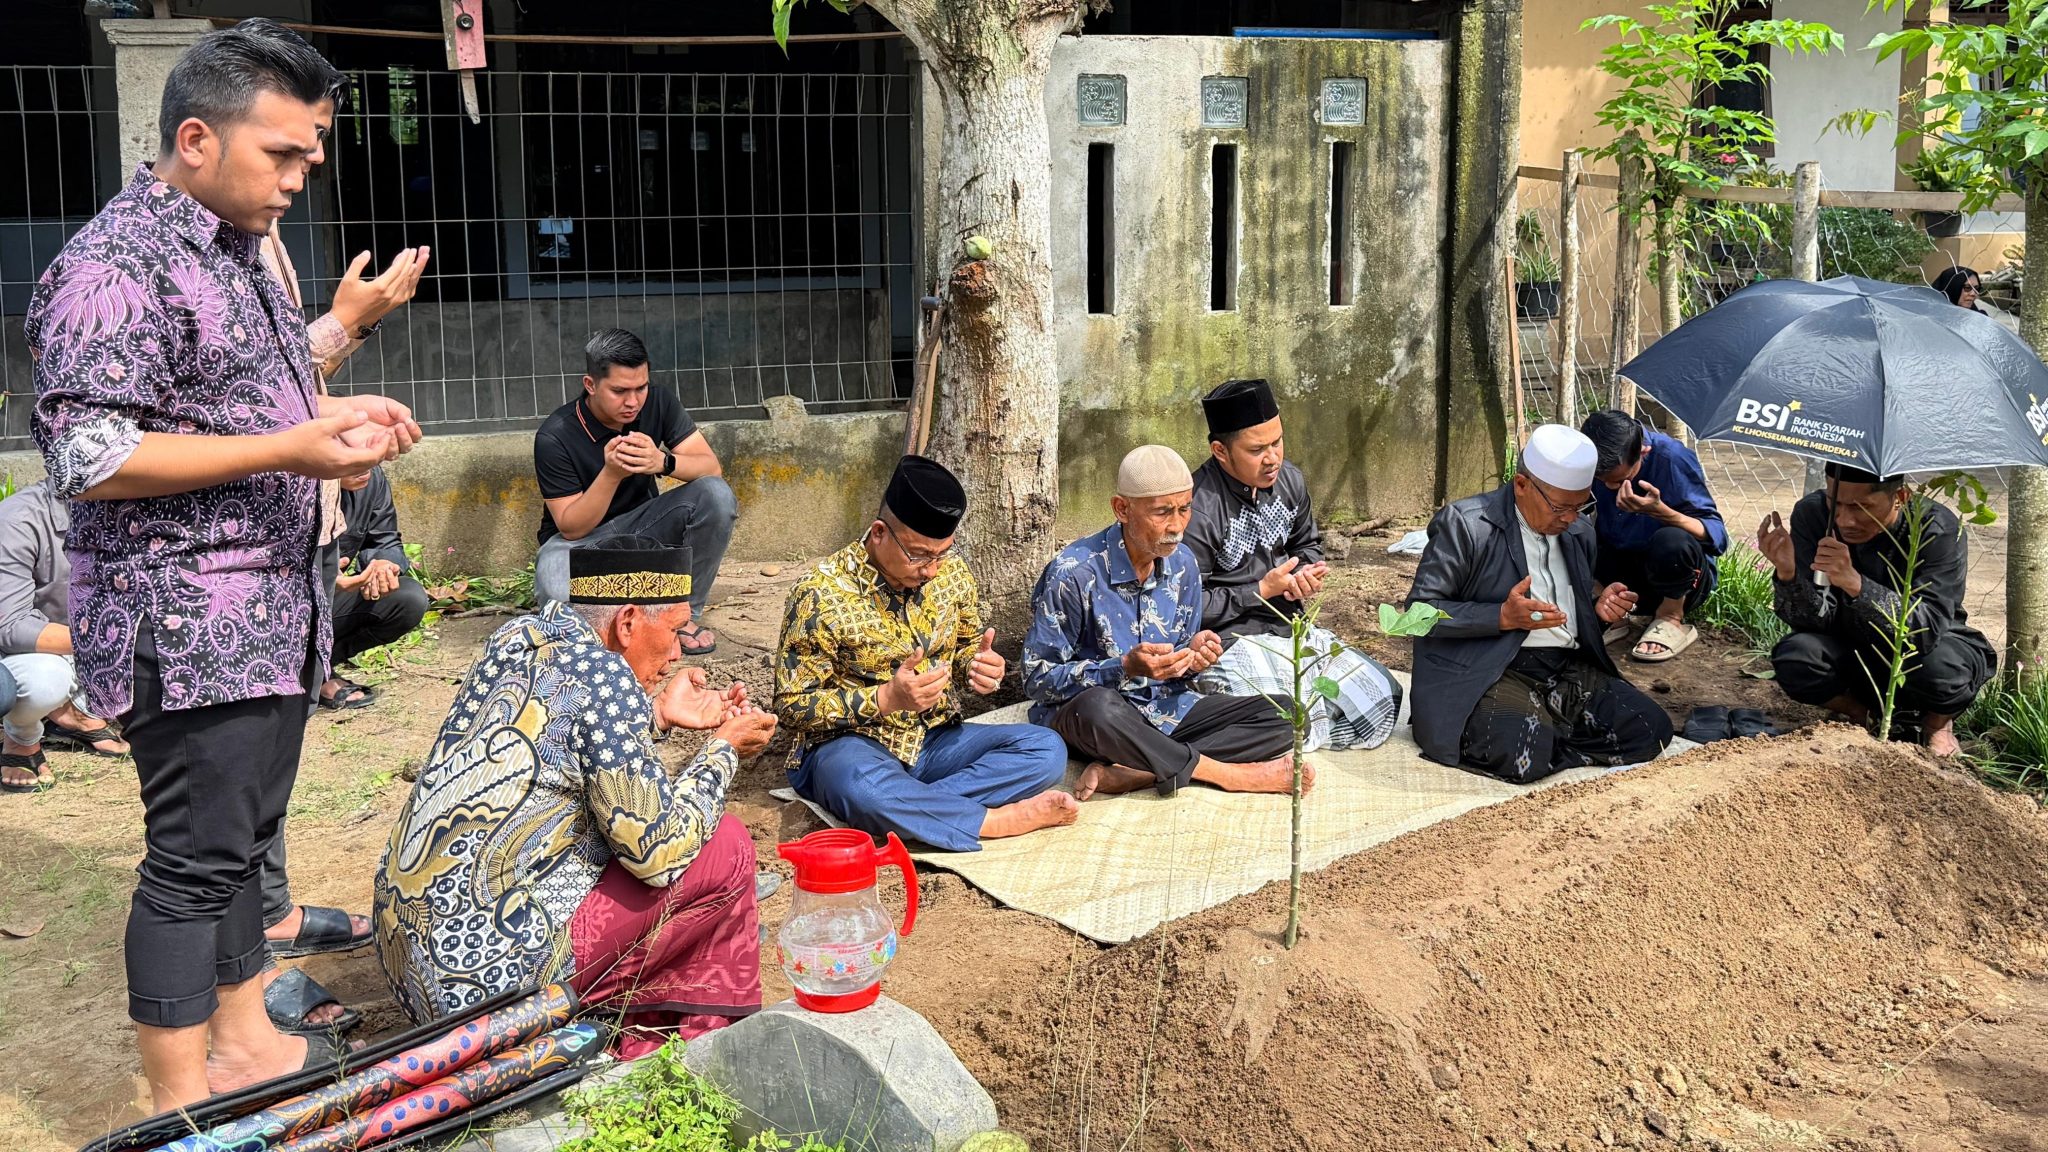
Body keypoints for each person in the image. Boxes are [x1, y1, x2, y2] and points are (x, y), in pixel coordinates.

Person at [26, 21, 419, 1109]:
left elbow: (230, 397)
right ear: (195, 138)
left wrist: (330, 411)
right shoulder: (113, 269)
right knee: (194, 862)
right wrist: (291, 448)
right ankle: (174, 1096)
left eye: (313, 153)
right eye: (283, 154)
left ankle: (246, 1041)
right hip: (186, 623)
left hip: (263, 613)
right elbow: (90, 453)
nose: (303, 177)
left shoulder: (237, 243)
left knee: (242, 843)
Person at [375, 539, 775, 1057]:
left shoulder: (519, 634)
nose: (678, 651)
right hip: (488, 994)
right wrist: (721, 751)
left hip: (410, 964)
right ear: (628, 622)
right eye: (674, 630)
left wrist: (655, 715)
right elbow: (658, 855)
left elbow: (559, 743)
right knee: (725, 844)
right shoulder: (605, 675)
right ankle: (699, 1029)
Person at [776, 455, 1076, 852]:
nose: (932, 570)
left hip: (933, 742)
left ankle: (907, 805)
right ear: (879, 532)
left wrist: (980, 666)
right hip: (851, 747)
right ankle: (991, 820)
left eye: (942, 554)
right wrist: (885, 699)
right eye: (918, 555)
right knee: (855, 782)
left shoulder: (952, 574)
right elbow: (791, 705)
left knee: (1047, 750)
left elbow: (969, 646)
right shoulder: (819, 595)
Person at [1024, 445, 1301, 800]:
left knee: (1287, 715)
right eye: (1161, 512)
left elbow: (1179, 661)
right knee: (1098, 707)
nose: (1177, 526)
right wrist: (1122, 667)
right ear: (1122, 509)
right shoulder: (1073, 573)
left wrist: (1193, 657)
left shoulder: (1183, 564)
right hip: (1097, 721)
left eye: (1185, 509)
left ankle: (1141, 771)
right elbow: (1036, 679)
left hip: (1166, 709)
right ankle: (1226, 775)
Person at [1404, 425, 1674, 783]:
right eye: (1560, 507)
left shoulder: (1578, 532)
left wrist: (1597, 613)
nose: (1569, 518)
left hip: (1564, 668)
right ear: (1521, 485)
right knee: (1522, 752)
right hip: (1488, 669)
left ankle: (1550, 736)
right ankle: (1546, 736)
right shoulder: (1467, 525)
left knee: (1651, 729)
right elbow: (1415, 616)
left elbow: (1567, 614)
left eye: (1581, 507)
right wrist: (1500, 616)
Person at [1184, 378, 1401, 751]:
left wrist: (1305, 574)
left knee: (1382, 696)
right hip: (1231, 640)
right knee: (1280, 716)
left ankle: (1296, 740)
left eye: (1277, 442)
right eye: (1257, 449)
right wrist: (1260, 591)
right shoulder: (1195, 508)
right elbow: (1185, 607)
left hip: (1292, 630)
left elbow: (1307, 545)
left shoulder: (1291, 481)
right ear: (1221, 451)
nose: (1273, 458)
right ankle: (1289, 739)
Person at [1757, 464, 1996, 757]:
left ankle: (1937, 726)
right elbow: (1812, 622)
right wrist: (1788, 574)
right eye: (1836, 503)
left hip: (1923, 650)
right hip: (1848, 642)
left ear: (1901, 496)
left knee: (1945, 670)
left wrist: (1855, 583)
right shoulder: (1813, 514)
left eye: (1861, 507)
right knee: (1796, 657)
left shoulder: (1937, 528)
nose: (1845, 520)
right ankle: (1861, 715)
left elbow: (1927, 628)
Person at [533, 328, 736, 654]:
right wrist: (611, 474)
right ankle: (621, 622)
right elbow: (571, 528)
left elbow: (710, 467)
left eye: (640, 387)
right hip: (581, 545)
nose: (633, 401)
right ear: (591, 385)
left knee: (715, 494)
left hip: (644, 529)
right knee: (554, 583)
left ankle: (680, 617)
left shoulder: (658, 401)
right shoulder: (555, 435)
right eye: (619, 391)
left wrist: (663, 461)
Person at [0, 481, 131, 794]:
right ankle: (21, 739)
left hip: (82, 641)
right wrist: (111, 641)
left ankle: (76, 712)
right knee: (46, 683)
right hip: (22, 650)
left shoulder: (136, 511)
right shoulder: (18, 520)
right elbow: (10, 627)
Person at [1579, 409, 1728, 663]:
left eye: (1620, 480)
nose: (1610, 488)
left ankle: (1670, 618)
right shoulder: (1588, 461)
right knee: (1573, 527)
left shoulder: (1672, 458)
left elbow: (1718, 536)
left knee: (1672, 540)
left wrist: (1662, 513)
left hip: (1675, 580)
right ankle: (1613, 611)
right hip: (1618, 576)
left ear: (1643, 452)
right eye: (1601, 480)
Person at [319, 465, 430, 709]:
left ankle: (321, 667)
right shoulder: (292, 482)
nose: (365, 464)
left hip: (332, 597)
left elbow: (385, 539)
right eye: (353, 450)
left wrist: (384, 564)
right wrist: (320, 574)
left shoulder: (371, 478)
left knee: (408, 598)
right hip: (281, 603)